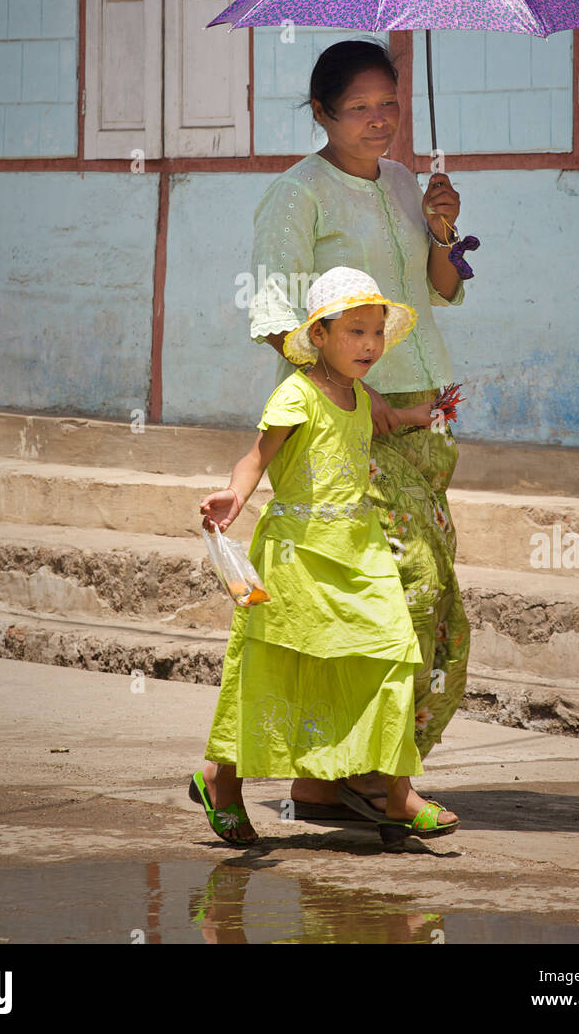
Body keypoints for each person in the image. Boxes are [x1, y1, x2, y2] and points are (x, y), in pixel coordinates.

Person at [244, 38, 469, 826]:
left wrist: (441, 229)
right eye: (359, 108)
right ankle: (374, 779)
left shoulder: (409, 184)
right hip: (342, 423)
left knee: (425, 595)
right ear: (320, 114)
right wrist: (348, 392)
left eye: (390, 105)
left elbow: (440, 293)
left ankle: (330, 780)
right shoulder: (298, 194)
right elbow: (274, 313)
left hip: (422, 414)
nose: (380, 122)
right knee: (394, 593)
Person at [189, 268, 461, 846]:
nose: (370, 344)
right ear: (319, 336)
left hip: (359, 550)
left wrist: (429, 414)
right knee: (269, 673)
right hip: (297, 554)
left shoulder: (360, 395)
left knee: (390, 654)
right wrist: (234, 496)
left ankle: (397, 795)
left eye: (377, 333)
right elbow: (255, 460)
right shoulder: (295, 395)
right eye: (355, 331)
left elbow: (388, 422)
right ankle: (223, 782)